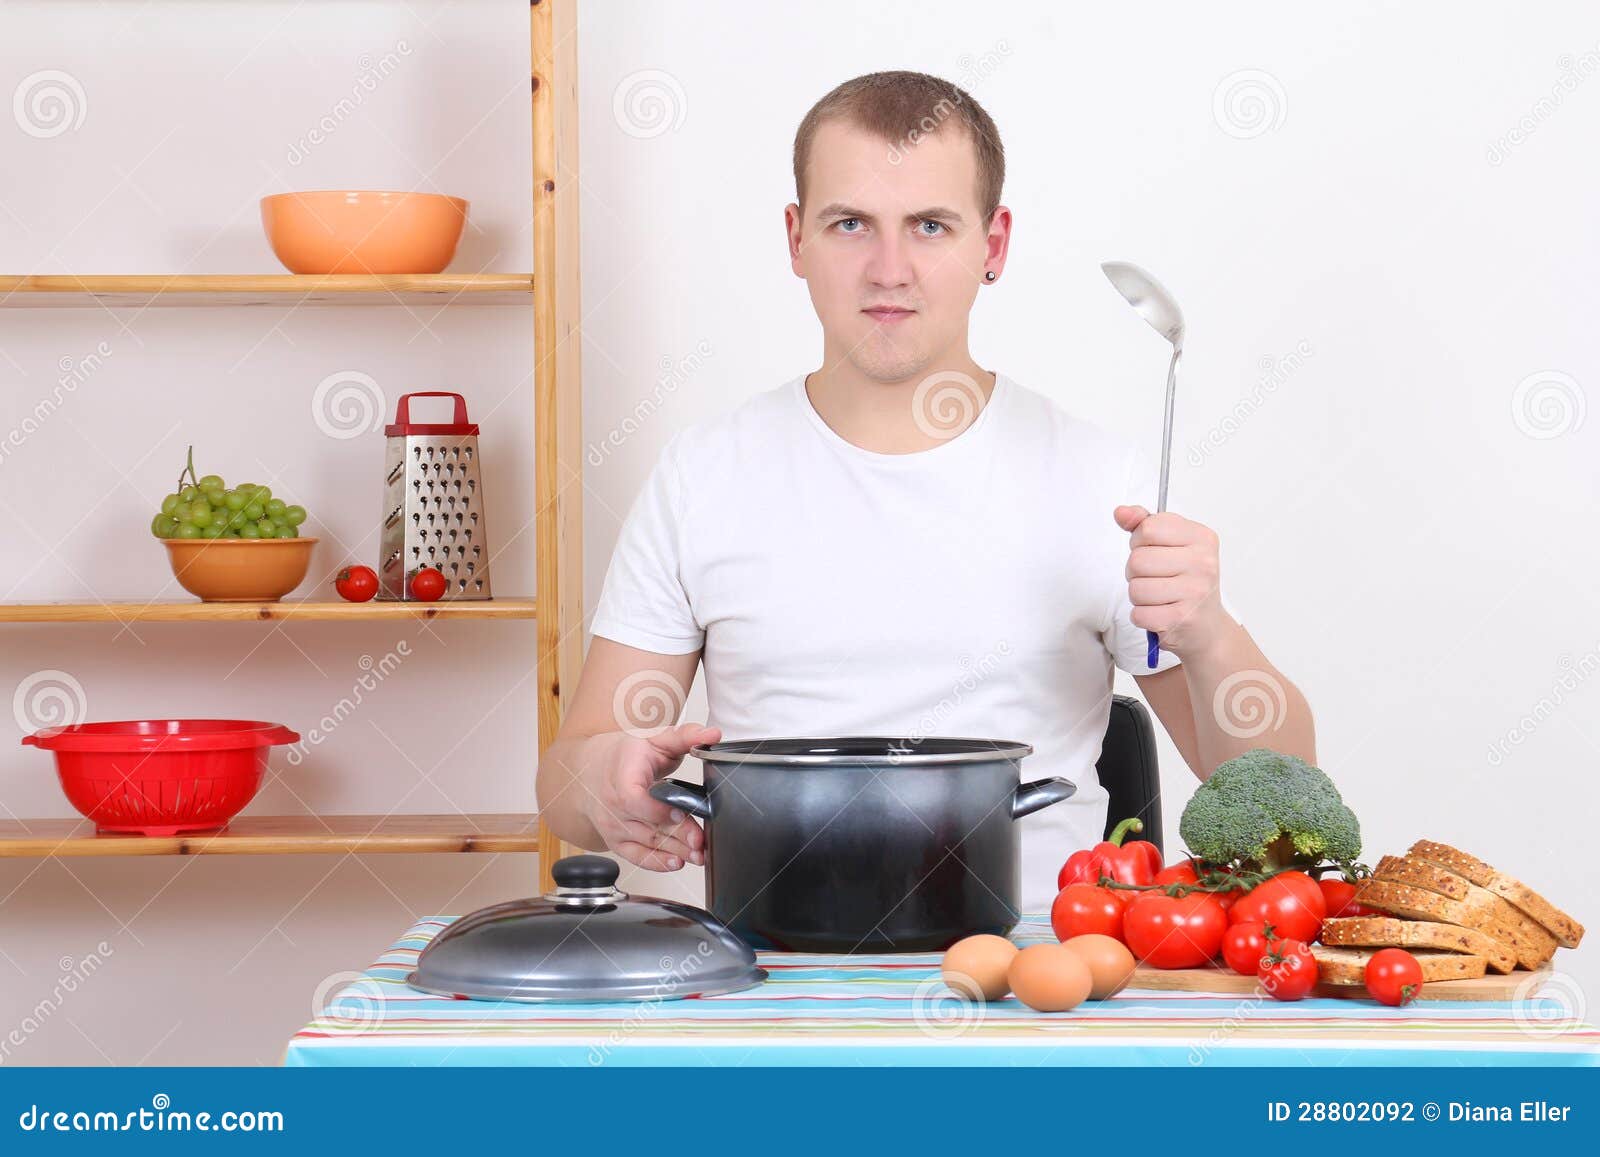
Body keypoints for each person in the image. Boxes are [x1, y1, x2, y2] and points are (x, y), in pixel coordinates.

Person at [536, 69, 1315, 913]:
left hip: (1042, 978)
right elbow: (564, 781)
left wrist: (1208, 634)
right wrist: (603, 779)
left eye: (931, 226)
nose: (889, 269)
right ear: (796, 240)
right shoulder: (703, 474)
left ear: (994, 245)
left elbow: (1282, 805)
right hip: (774, 970)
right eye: (850, 224)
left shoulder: (1104, 482)